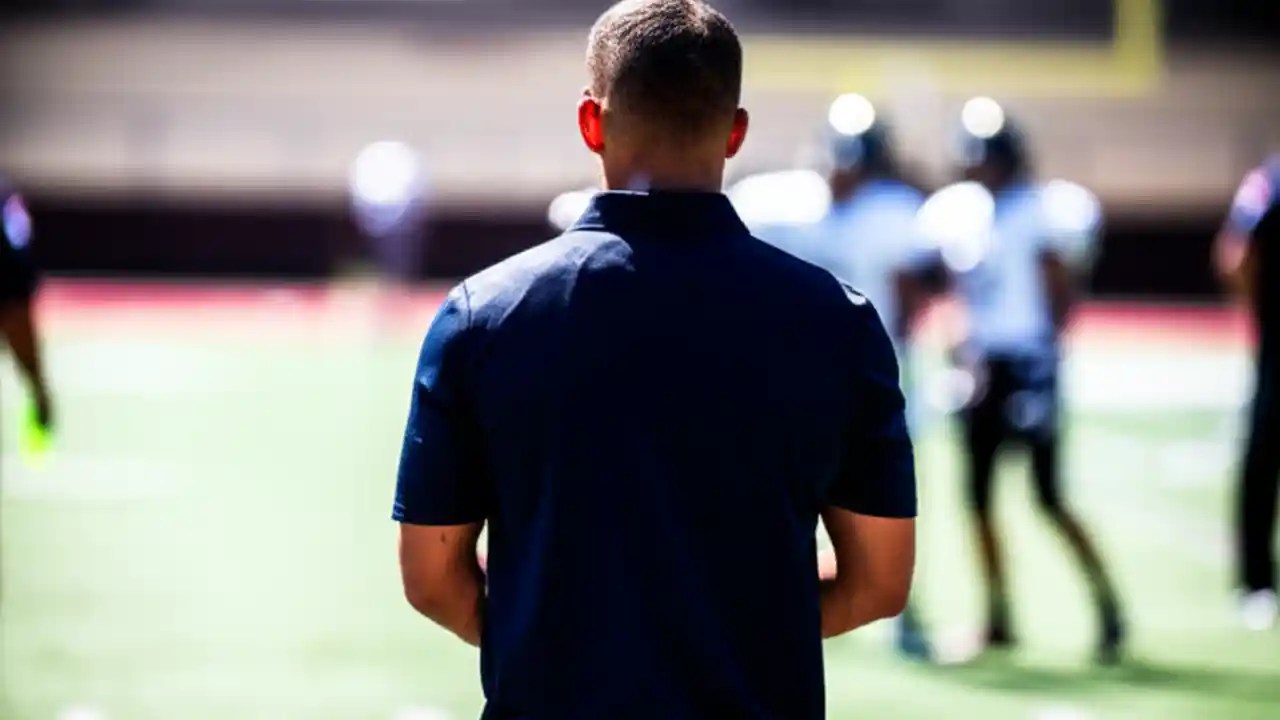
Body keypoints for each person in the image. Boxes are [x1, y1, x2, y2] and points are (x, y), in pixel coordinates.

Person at [392, 2, 918, 718]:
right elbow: (879, 582)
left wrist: (557, 641)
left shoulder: (484, 314)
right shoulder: (838, 321)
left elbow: (430, 576)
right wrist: (730, 638)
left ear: (590, 122)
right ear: (735, 132)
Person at [919, 98, 1123, 663]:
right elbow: (955, 292)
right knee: (978, 502)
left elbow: (1059, 295)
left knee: (1049, 499)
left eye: (989, 157)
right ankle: (998, 617)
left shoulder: (1042, 210)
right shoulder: (958, 212)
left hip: (1028, 364)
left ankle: (1108, 606)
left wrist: (1044, 367)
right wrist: (960, 350)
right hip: (982, 367)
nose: (980, 168)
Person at [728, 95, 932, 660]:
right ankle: (759, 604)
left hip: (866, 382)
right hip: (783, 383)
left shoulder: (893, 213)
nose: (846, 172)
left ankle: (903, 616)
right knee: (776, 504)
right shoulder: (778, 201)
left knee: (881, 511)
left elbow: (912, 299)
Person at [1214, 155, 1280, 630]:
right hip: (1278, 343)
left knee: (1262, 455)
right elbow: (1236, 255)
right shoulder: (1269, 180)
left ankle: (1256, 582)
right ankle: (1255, 579)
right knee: (1263, 455)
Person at [0, 177, 53, 445]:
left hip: (11, 294)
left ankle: (43, 418)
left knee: (31, 370)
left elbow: (20, 244)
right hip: (14, 292)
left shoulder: (6, 199)